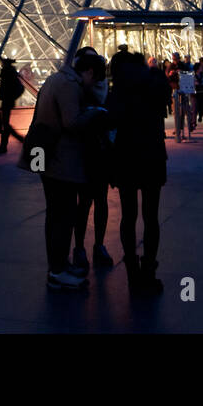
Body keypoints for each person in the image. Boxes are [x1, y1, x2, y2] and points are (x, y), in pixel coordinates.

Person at [18, 49, 105, 291]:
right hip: (61, 159)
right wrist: (95, 113)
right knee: (63, 215)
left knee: (55, 214)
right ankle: (58, 271)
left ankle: (58, 266)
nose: (93, 84)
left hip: (48, 156)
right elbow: (71, 122)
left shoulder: (55, 79)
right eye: (94, 78)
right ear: (88, 71)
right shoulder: (68, 85)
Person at [108, 52, 169, 295]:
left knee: (128, 216)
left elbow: (110, 120)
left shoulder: (119, 90)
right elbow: (164, 99)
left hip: (126, 157)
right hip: (152, 156)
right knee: (151, 216)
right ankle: (149, 271)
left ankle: (132, 270)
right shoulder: (154, 84)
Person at [72, 59, 115, 273]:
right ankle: (83, 247)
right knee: (87, 203)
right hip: (88, 154)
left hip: (98, 155)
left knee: (96, 202)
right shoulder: (81, 92)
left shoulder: (90, 92)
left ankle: (92, 246)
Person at [0, 58, 24, 155]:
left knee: (5, 124)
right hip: (7, 100)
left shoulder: (8, 73)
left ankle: (5, 145)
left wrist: (10, 96)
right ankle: (16, 139)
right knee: (5, 123)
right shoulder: (10, 73)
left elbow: (17, 88)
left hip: (7, 101)